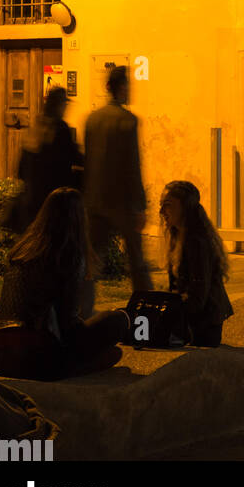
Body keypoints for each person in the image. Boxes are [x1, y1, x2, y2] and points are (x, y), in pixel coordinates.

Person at [0, 188, 130, 381]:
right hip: (32, 357)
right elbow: (68, 325)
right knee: (118, 320)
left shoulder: (23, 251)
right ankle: (73, 367)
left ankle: (76, 364)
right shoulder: (68, 254)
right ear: (80, 219)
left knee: (105, 342)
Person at [82, 65, 151, 312]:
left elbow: (87, 161)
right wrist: (140, 206)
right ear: (121, 88)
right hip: (122, 202)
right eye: (127, 86)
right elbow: (133, 165)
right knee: (136, 260)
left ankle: (83, 311)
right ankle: (146, 310)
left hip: (95, 201)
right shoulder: (128, 120)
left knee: (91, 260)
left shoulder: (92, 119)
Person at [159, 181, 233, 347]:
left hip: (203, 327)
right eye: (161, 205)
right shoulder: (176, 235)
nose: (161, 211)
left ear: (185, 207)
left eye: (168, 205)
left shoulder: (197, 242)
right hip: (187, 320)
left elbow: (198, 298)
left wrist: (170, 316)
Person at [12, 87, 83, 232]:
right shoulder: (61, 128)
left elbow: (21, 168)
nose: (65, 108)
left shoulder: (36, 126)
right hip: (54, 200)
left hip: (33, 200)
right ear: (59, 105)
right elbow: (74, 157)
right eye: (64, 104)